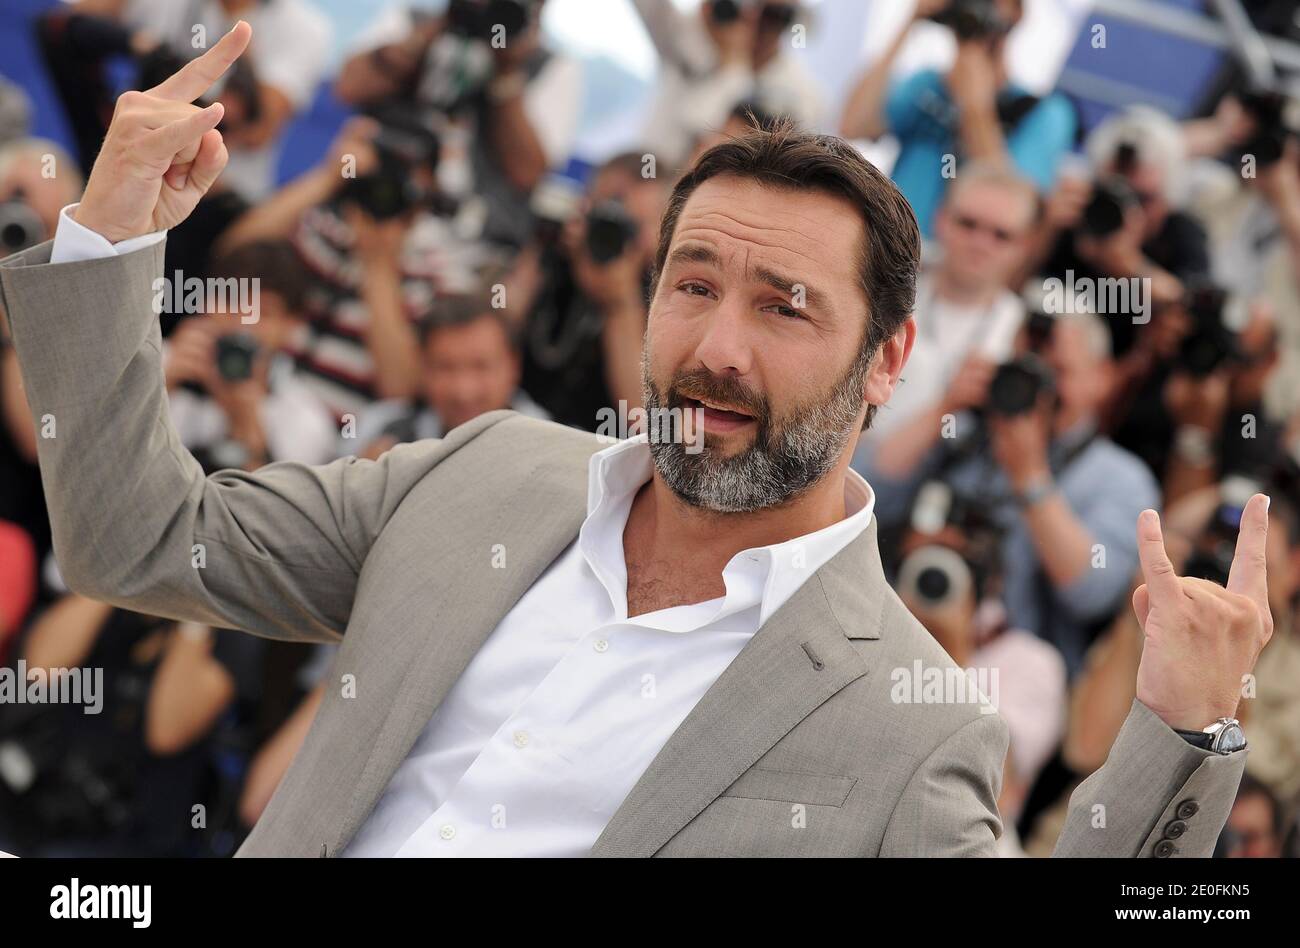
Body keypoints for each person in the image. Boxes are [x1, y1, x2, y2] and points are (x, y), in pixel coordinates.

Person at [0, 25, 1271, 857]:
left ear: (888, 360)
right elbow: (143, 540)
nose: (718, 344)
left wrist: (1184, 735)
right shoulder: (480, 472)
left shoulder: (909, 724)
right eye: (694, 281)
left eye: (785, 307)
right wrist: (111, 239)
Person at [862, 312, 1160, 678]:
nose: (1039, 395)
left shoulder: (1120, 478)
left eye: (1058, 373)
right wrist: (945, 407)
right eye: (1025, 372)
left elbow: (1091, 592)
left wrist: (1029, 477)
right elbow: (860, 491)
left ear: (1100, 378)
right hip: (900, 631)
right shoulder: (965, 433)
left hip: (1011, 674)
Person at [334, 0, 582, 252]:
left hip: (470, 247)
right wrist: (435, 31)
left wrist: (506, 71)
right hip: (368, 210)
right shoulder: (413, 21)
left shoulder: (554, 68)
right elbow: (349, 88)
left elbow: (527, 173)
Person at [839, 0, 1075, 237]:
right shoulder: (927, 84)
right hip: (892, 244)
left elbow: (1010, 200)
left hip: (956, 265)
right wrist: (910, 22)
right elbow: (854, 126)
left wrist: (975, 106)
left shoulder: (1044, 112)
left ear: (1017, 13)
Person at [860, 162, 1035, 447]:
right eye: (968, 224)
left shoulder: (1026, 334)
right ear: (940, 220)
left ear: (1023, 248)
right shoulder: (881, 290)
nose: (980, 243)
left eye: (1001, 235)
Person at [352, 295, 549, 461]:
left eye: (480, 367)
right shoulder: (380, 429)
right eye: (446, 368)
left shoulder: (554, 444)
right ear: (423, 367)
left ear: (514, 365)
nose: (464, 391)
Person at [634, 0, 823, 169]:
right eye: (738, 7)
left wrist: (734, 62)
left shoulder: (802, 95)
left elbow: (711, 130)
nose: (752, 21)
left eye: (772, 15)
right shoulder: (688, 47)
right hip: (649, 175)